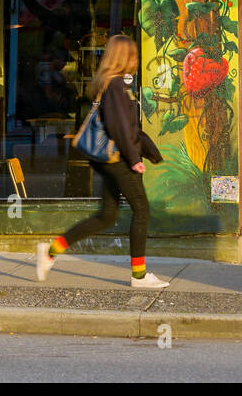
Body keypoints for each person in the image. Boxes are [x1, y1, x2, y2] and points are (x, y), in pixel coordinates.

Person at [36, 35, 167, 288]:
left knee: (106, 215)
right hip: (117, 158)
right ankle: (139, 275)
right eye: (133, 55)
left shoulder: (106, 83)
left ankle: (51, 250)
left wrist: (146, 152)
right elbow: (119, 127)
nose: (136, 59)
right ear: (125, 57)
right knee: (141, 209)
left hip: (108, 159)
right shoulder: (116, 85)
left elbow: (123, 126)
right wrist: (134, 159)